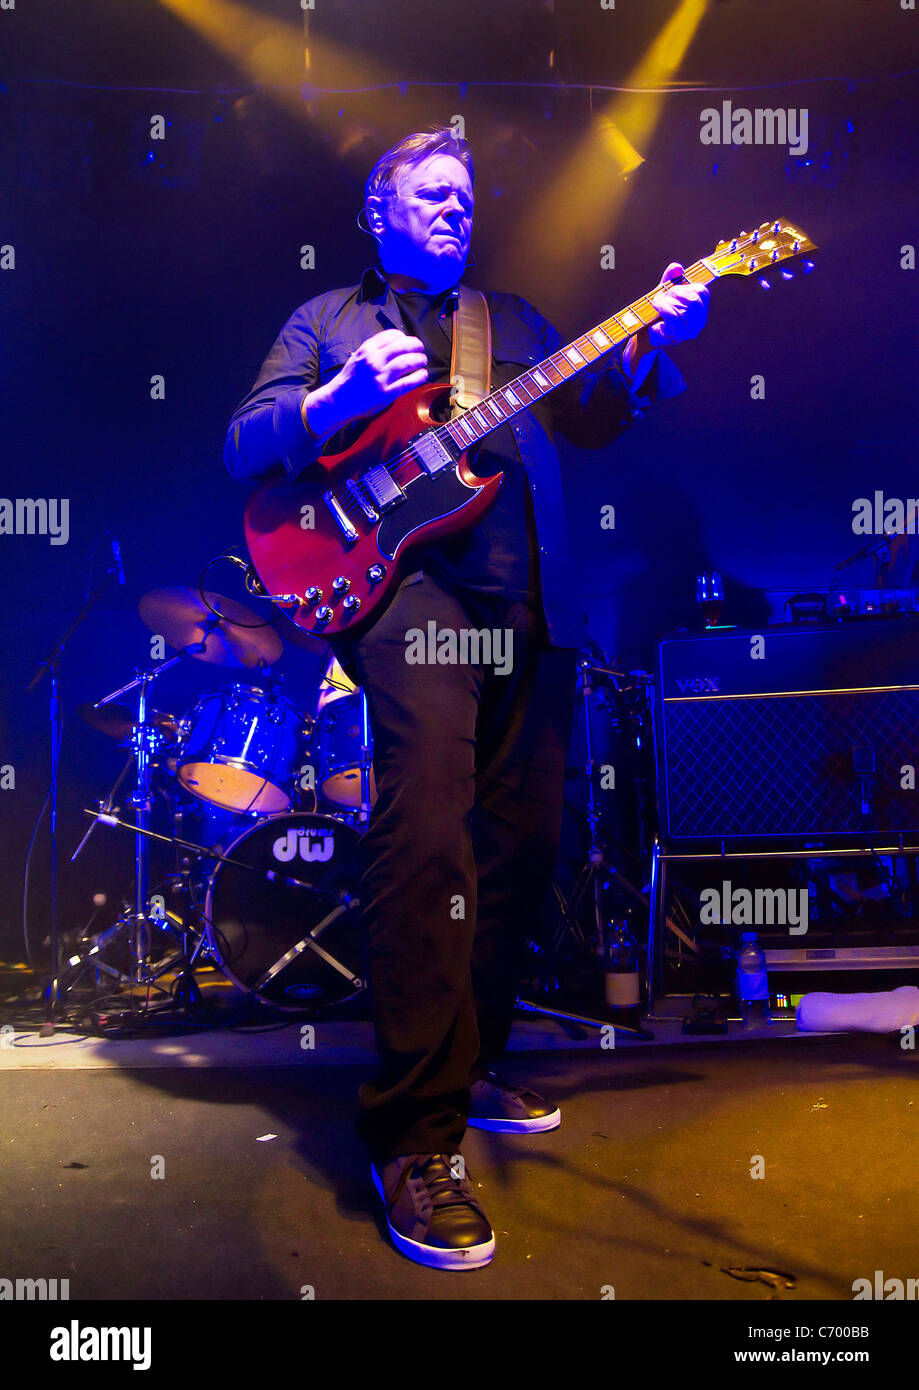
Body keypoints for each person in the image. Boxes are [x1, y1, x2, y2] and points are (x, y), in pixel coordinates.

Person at [224, 126, 708, 1270]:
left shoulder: (518, 323)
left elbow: (588, 418)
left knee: (517, 848)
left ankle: (470, 1059)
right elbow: (247, 448)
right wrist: (331, 402)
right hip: (408, 606)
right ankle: (412, 1135)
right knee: (426, 846)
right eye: (431, 192)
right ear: (377, 207)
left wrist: (654, 342)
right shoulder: (325, 322)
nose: (455, 208)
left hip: (526, 612)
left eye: (467, 194)